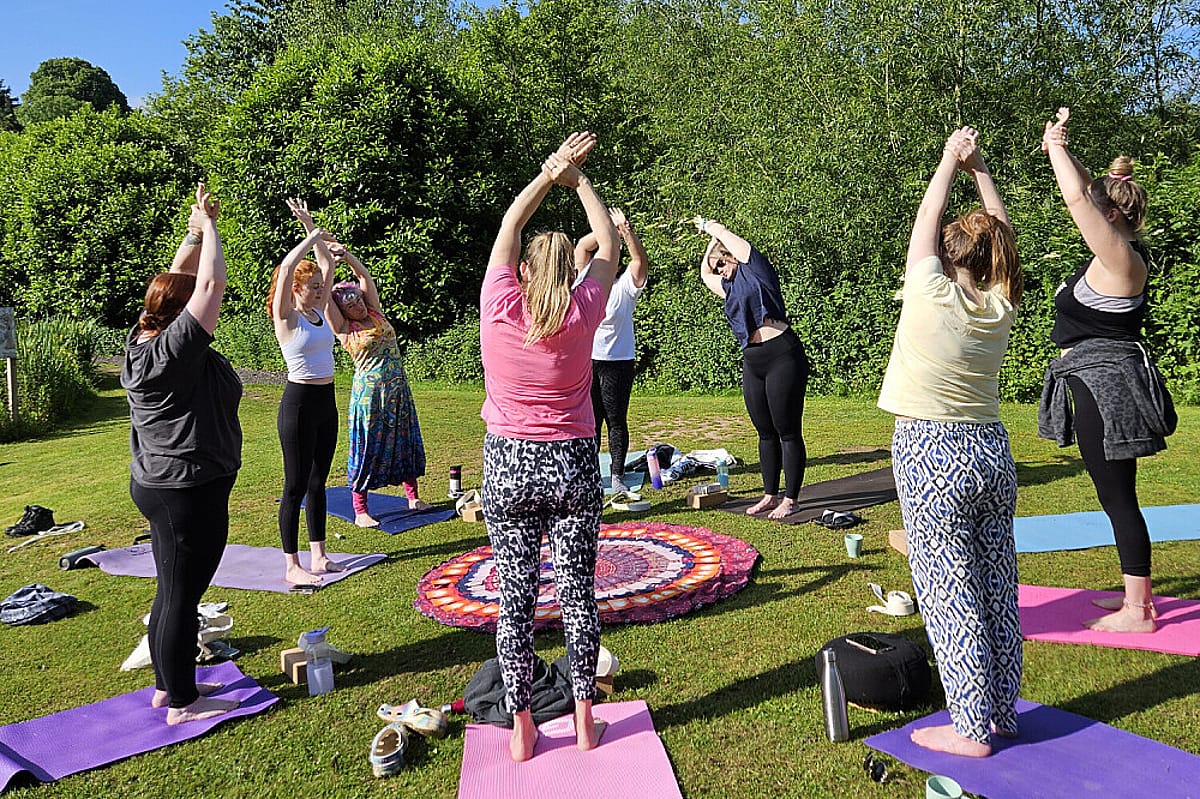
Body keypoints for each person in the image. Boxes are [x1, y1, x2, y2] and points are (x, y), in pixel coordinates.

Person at [878, 127, 1024, 758]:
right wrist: (981, 170)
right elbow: (1005, 243)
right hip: (991, 450)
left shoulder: (929, 291)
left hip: (931, 451)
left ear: (947, 255)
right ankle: (1000, 709)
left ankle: (969, 727)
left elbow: (925, 217)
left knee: (947, 591)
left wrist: (947, 162)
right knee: (996, 581)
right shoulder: (999, 305)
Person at [479, 132, 619, 762]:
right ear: (572, 275)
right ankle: (585, 714)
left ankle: (522, 724)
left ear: (526, 273)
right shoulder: (584, 309)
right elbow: (609, 245)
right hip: (571, 465)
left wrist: (546, 174)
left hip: (509, 465)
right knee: (577, 593)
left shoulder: (499, 304)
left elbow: (511, 222)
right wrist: (579, 181)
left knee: (514, 598)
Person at [1038, 107, 1176, 633]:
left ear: (1111, 218)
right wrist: (1062, 146)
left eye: (1097, 213)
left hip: (1109, 385)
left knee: (1118, 494)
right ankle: (1133, 594)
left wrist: (1055, 147)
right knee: (1111, 491)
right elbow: (1084, 196)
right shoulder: (1108, 257)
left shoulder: (1123, 260)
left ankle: (1138, 611)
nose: (1085, 219)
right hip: (1094, 380)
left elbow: (1077, 198)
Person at [122, 183, 241, 724]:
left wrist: (195, 231)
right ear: (178, 313)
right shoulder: (174, 351)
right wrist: (214, 230)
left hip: (168, 483)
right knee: (180, 595)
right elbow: (210, 284)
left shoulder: (145, 338)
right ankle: (184, 702)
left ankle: (167, 687)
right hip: (184, 488)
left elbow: (185, 282)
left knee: (174, 588)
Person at [696, 216, 809, 519]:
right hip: (753, 361)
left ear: (732, 256)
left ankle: (791, 498)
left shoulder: (756, 270)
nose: (719, 270)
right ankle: (770, 494)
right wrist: (710, 248)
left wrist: (712, 228)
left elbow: (734, 243)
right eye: (718, 266)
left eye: (722, 263)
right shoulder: (728, 287)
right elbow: (704, 271)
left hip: (782, 355)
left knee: (787, 431)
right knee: (765, 432)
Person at [320, 233, 430, 527]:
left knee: (404, 440)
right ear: (342, 309)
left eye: (357, 299)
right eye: (350, 303)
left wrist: (346, 255)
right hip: (370, 395)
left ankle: (412, 495)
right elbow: (325, 300)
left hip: (398, 390)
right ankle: (360, 509)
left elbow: (365, 276)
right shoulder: (344, 328)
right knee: (367, 445)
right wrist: (328, 262)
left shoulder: (375, 312)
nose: (356, 305)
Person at [269, 202, 345, 586]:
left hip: (325, 403)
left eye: (320, 287)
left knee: (319, 481)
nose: (319, 291)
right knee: (295, 484)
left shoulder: (317, 312)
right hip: (297, 404)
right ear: (296, 290)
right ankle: (291, 563)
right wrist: (310, 237)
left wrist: (311, 224)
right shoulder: (286, 317)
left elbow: (327, 266)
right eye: (312, 287)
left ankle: (319, 555)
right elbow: (285, 268)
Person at [574, 207, 648, 493]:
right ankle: (592, 474)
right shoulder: (584, 281)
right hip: (588, 363)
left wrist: (625, 232)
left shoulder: (625, 288)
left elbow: (640, 260)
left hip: (618, 363)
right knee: (590, 422)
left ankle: (617, 475)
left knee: (615, 420)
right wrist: (608, 231)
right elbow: (582, 246)